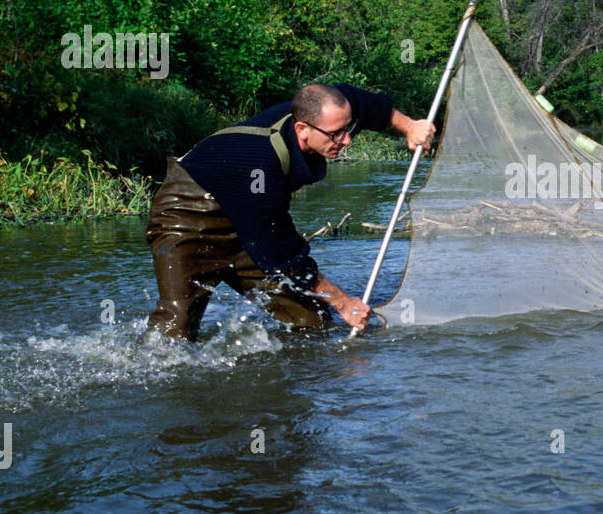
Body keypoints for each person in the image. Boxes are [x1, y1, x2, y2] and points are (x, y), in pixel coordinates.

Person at [145, 82, 434, 340]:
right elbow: (279, 253)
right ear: (302, 130)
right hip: (189, 214)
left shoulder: (327, 113)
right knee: (176, 331)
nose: (346, 141)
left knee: (313, 320)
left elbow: (361, 100)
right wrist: (344, 301)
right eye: (336, 135)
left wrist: (409, 125)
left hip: (249, 222)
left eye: (348, 130)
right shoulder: (260, 168)